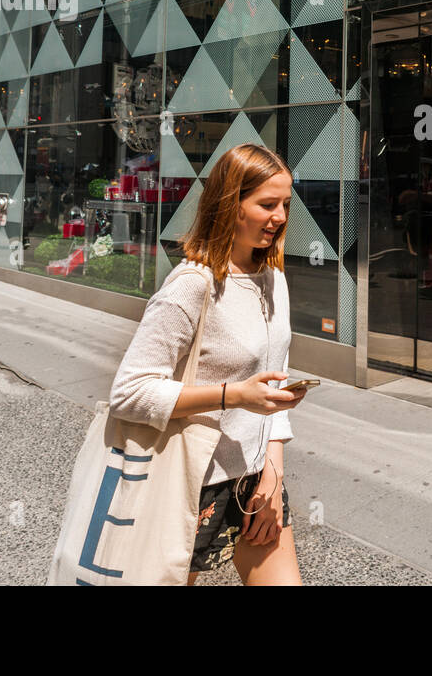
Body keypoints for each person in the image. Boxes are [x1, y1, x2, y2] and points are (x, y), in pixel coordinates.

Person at [108, 143, 309, 585]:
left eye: (286, 205)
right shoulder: (192, 285)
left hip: (257, 479)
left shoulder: (273, 278)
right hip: (191, 482)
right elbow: (128, 392)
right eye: (267, 204)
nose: (279, 217)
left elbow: (275, 385)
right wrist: (233, 396)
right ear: (230, 205)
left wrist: (273, 470)